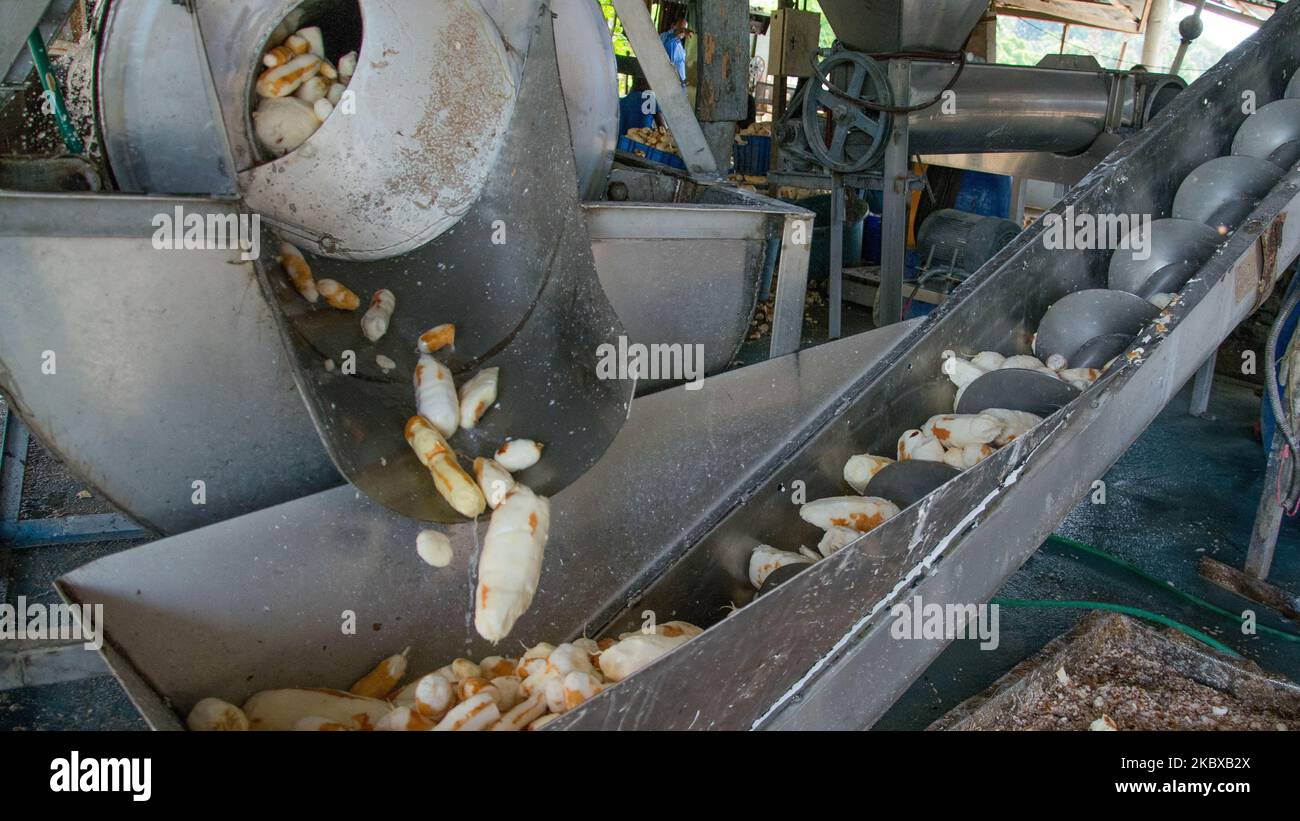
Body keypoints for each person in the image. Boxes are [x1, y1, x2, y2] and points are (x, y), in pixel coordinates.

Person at [659, 16, 689, 86]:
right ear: (673, 26)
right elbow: (669, 41)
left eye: (685, 29)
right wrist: (675, 34)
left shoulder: (679, 43)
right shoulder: (665, 36)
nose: (683, 31)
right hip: (668, 81)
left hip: (679, 83)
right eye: (681, 27)